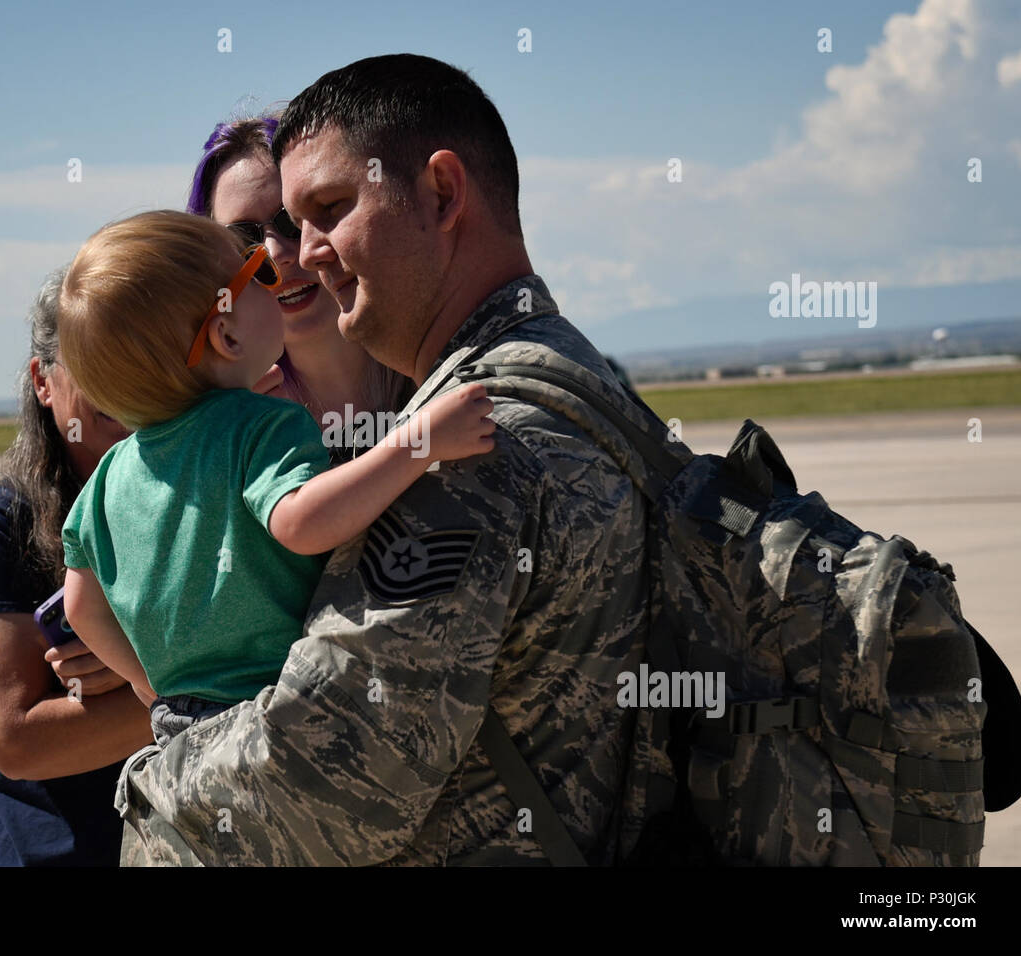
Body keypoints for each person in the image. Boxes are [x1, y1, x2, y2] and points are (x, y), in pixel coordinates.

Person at [116, 53, 655, 866]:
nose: (301, 254)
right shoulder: (557, 377)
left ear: (441, 194)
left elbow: (325, 781)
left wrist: (148, 802)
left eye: (326, 212)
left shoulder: (472, 443)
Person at [52, 210, 496, 735]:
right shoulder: (265, 423)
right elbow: (302, 522)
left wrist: (147, 681)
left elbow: (81, 606)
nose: (277, 275)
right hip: (282, 711)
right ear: (228, 337)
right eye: (257, 272)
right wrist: (420, 441)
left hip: (180, 727)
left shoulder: (108, 475)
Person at [0, 269, 153, 866]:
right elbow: (15, 740)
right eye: (91, 356)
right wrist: (192, 693)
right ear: (42, 382)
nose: (115, 375)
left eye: (134, 353)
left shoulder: (195, 501)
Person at [187, 113, 412, 458]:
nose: (276, 254)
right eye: (244, 238)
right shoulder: (227, 427)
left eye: (292, 221)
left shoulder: (441, 364)